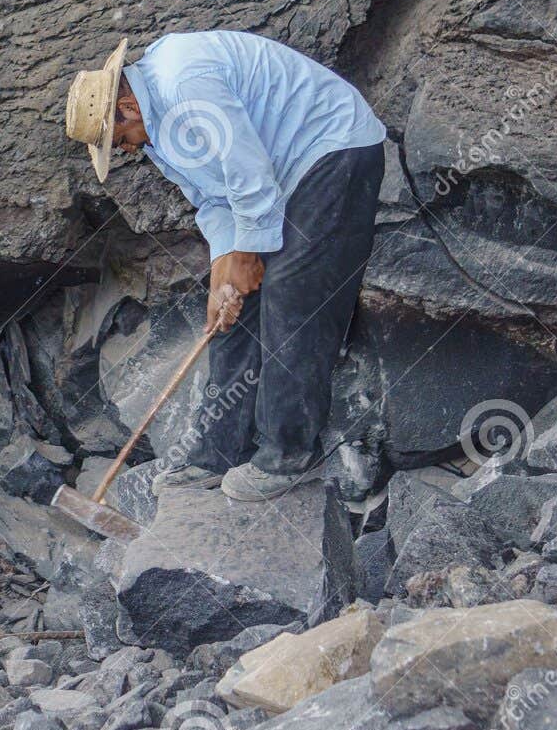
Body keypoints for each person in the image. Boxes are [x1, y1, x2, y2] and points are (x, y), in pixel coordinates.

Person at [63, 31, 385, 502]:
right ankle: (216, 453)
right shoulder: (157, 138)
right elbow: (215, 201)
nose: (127, 150)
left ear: (126, 109)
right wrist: (223, 273)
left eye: (120, 140)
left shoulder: (183, 83)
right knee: (228, 315)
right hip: (279, 177)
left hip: (332, 149)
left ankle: (289, 456)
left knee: (290, 293)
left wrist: (247, 257)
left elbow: (248, 174)